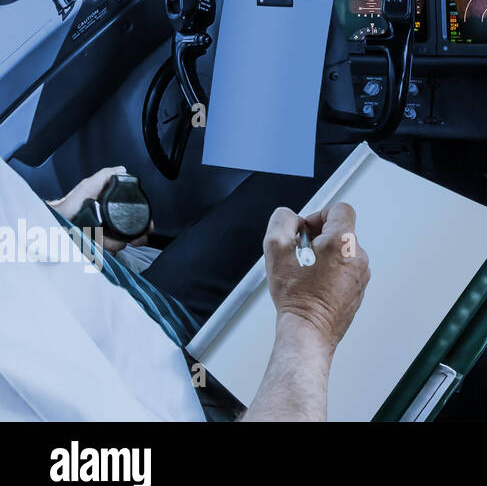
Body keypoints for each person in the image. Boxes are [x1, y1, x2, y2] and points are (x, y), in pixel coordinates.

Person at [0, 159, 369, 420]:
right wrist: (310, 321)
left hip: (143, 314)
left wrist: (61, 228)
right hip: (200, 400)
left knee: (316, 170)